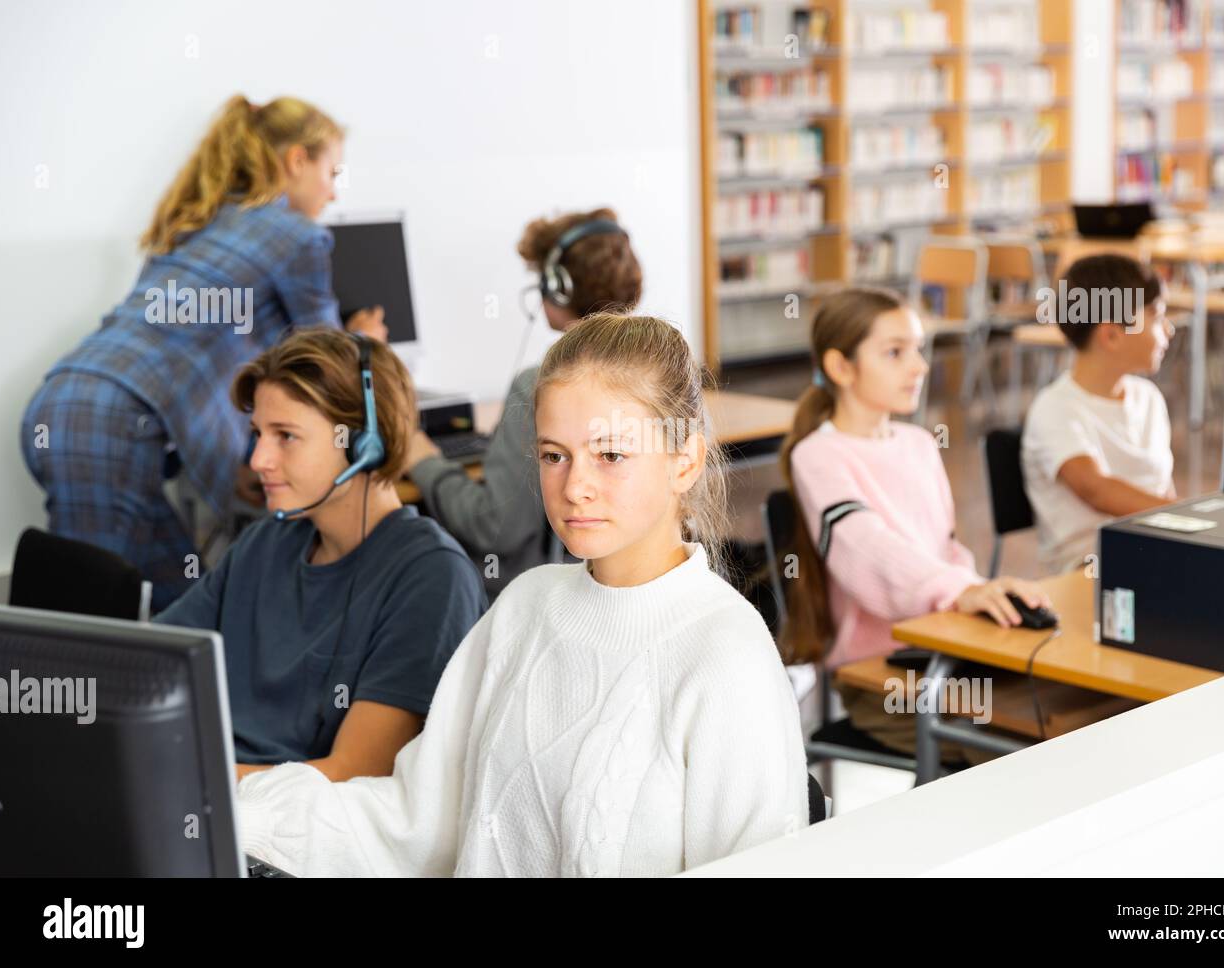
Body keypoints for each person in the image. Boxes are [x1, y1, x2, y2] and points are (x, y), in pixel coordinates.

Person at [235, 313, 808, 876]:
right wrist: (235, 810)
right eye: (554, 455)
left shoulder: (725, 655)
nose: (575, 486)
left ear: (684, 462)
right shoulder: (524, 606)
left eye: (610, 455)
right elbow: (418, 820)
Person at [20, 94, 386, 609]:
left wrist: (246, 456)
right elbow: (329, 362)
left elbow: (199, 362)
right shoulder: (298, 236)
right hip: (106, 424)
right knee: (97, 621)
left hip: (67, 408)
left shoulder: (200, 224)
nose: (332, 192)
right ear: (297, 161)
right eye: (332, 172)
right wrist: (366, 341)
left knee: (191, 608)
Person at [156, 329, 485, 782]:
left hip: (298, 832)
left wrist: (187, 779)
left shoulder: (431, 579)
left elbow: (353, 775)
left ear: (364, 447)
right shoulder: (264, 543)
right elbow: (153, 664)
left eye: (286, 436)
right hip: (214, 794)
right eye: (258, 434)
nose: (257, 460)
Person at [782, 287, 1050, 760]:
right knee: (1015, 739)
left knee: (1059, 713)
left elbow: (947, 550)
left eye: (919, 349)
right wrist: (957, 592)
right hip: (881, 678)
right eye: (895, 352)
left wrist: (977, 593)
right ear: (840, 367)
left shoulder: (920, 443)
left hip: (947, 653)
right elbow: (868, 549)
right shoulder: (818, 455)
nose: (919, 366)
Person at [405, 207, 642, 596]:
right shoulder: (654, 375)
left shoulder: (541, 386)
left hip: (551, 600)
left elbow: (495, 526)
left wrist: (423, 461)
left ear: (557, 287)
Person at [1022, 254, 1176, 574]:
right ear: (1112, 336)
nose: (1169, 329)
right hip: (1089, 569)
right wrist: (1189, 515)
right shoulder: (1054, 409)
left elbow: (1163, 489)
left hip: (1154, 556)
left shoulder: (1149, 399)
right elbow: (1096, 489)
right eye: (1156, 315)